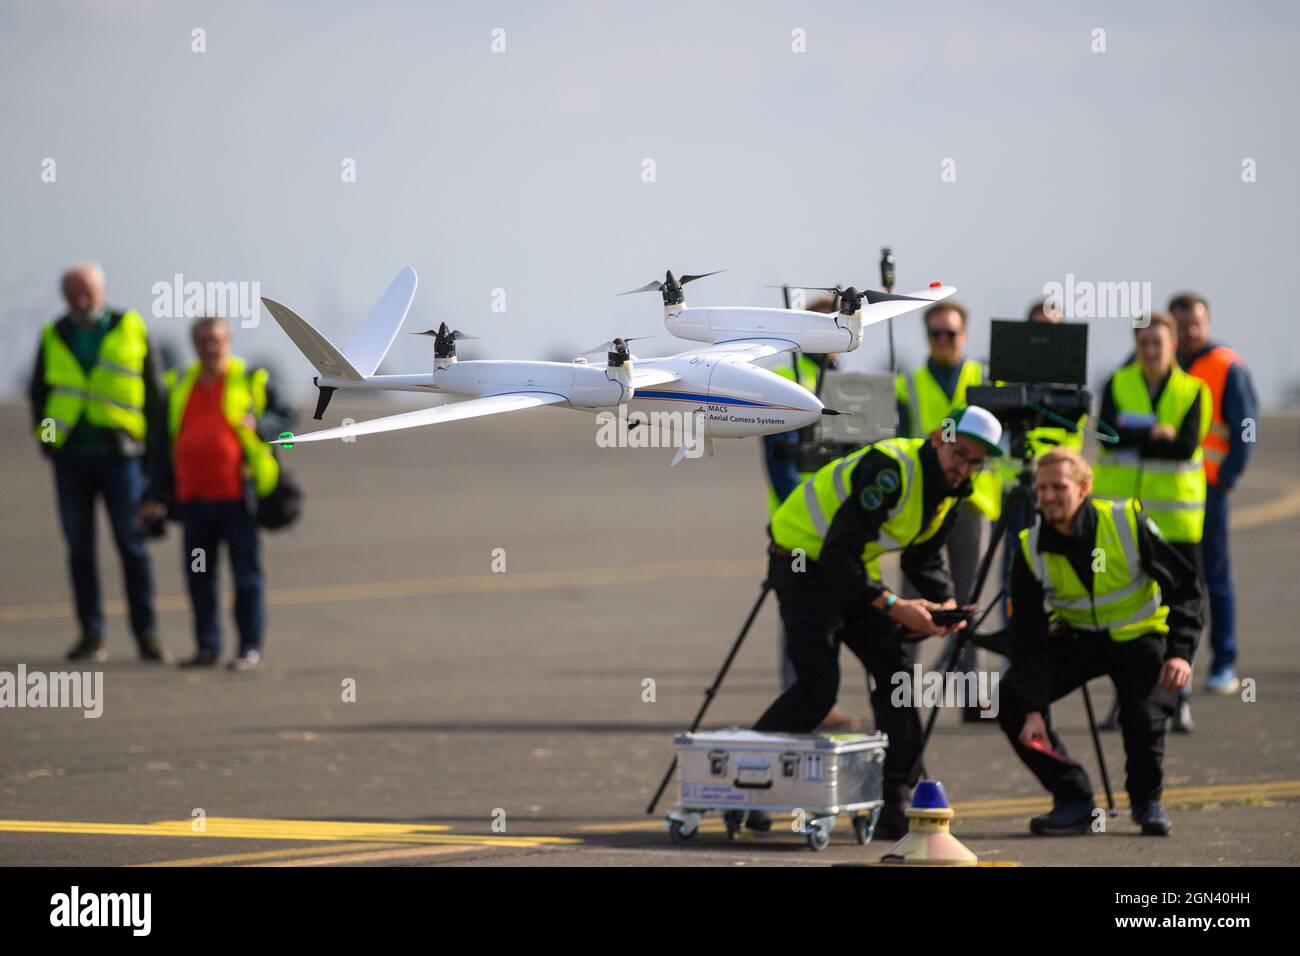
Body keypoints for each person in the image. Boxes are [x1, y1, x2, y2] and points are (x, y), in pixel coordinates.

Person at [753, 405, 1004, 839]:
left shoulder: (950, 490)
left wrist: (944, 605)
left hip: (848, 571)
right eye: (958, 453)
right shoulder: (891, 470)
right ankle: (753, 782)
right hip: (802, 565)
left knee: (897, 676)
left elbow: (923, 556)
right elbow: (836, 553)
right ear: (937, 438)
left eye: (974, 461)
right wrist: (893, 605)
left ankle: (896, 799)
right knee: (817, 691)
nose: (964, 468)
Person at [996, 449, 1201, 836]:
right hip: (1078, 639)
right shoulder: (1029, 546)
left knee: (1141, 718)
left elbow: (1186, 587)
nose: (1050, 496)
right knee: (1011, 700)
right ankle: (1074, 798)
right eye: (1042, 489)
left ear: (1085, 487)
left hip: (1139, 637)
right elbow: (1028, 635)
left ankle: (1146, 801)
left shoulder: (1126, 522)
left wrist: (1180, 654)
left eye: (1060, 487)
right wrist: (1033, 706)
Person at [27, 262, 168, 662]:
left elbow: (155, 394)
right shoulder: (54, 334)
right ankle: (92, 633)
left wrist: (155, 455)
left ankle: (147, 634)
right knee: (79, 546)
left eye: (87, 293)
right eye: (73, 294)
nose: (81, 301)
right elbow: (40, 395)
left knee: (132, 544)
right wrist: (49, 443)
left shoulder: (131, 328)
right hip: (71, 458)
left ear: (102, 292)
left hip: (121, 455)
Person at [140, 317, 295, 669]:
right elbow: (162, 447)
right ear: (195, 345)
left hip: (238, 499)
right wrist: (151, 495)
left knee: (246, 576)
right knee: (200, 576)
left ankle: (248, 648)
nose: (211, 347)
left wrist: (262, 426)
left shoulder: (251, 379)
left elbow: (287, 416)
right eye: (204, 341)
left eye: (217, 340)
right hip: (194, 502)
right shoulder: (179, 383)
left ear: (228, 342)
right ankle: (207, 648)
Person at [1093, 312, 1209, 733]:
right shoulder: (1117, 384)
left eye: (1159, 343)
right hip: (1124, 519)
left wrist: (1138, 436)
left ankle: (1179, 697)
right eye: (1144, 343)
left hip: (1176, 521)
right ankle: (1124, 699)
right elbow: (1106, 435)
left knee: (1180, 609)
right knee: (1125, 606)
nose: (1151, 351)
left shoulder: (1193, 390)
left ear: (1173, 344)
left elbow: (1184, 447)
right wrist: (1153, 435)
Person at [895, 302, 999, 720]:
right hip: (921, 502)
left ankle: (971, 693)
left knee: (968, 596)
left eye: (950, 334)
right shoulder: (910, 384)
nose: (943, 340)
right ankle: (898, 686)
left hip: (972, 502)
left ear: (965, 335)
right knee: (913, 596)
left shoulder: (984, 379)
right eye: (936, 334)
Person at [1171, 293, 1258, 695]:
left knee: (1215, 578)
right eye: (1182, 324)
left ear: (1207, 324)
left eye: (1196, 324)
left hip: (1208, 489)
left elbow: (1246, 427)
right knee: (1171, 579)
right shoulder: (1159, 359)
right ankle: (1172, 664)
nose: (1189, 332)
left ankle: (1224, 661)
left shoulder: (1227, 366)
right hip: (1166, 490)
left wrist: (1227, 475)